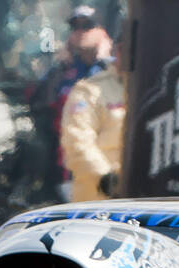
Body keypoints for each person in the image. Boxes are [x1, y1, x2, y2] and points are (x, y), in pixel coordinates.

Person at [31, 6, 113, 200]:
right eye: (75, 27)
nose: (80, 32)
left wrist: (106, 61)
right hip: (65, 166)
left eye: (88, 26)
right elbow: (40, 102)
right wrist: (60, 63)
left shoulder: (113, 69)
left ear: (102, 32)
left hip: (105, 165)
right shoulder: (62, 71)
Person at [60, 36, 123, 202]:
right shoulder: (89, 91)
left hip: (147, 199)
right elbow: (77, 141)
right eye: (122, 49)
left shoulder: (157, 87)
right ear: (116, 51)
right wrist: (106, 179)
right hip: (98, 200)